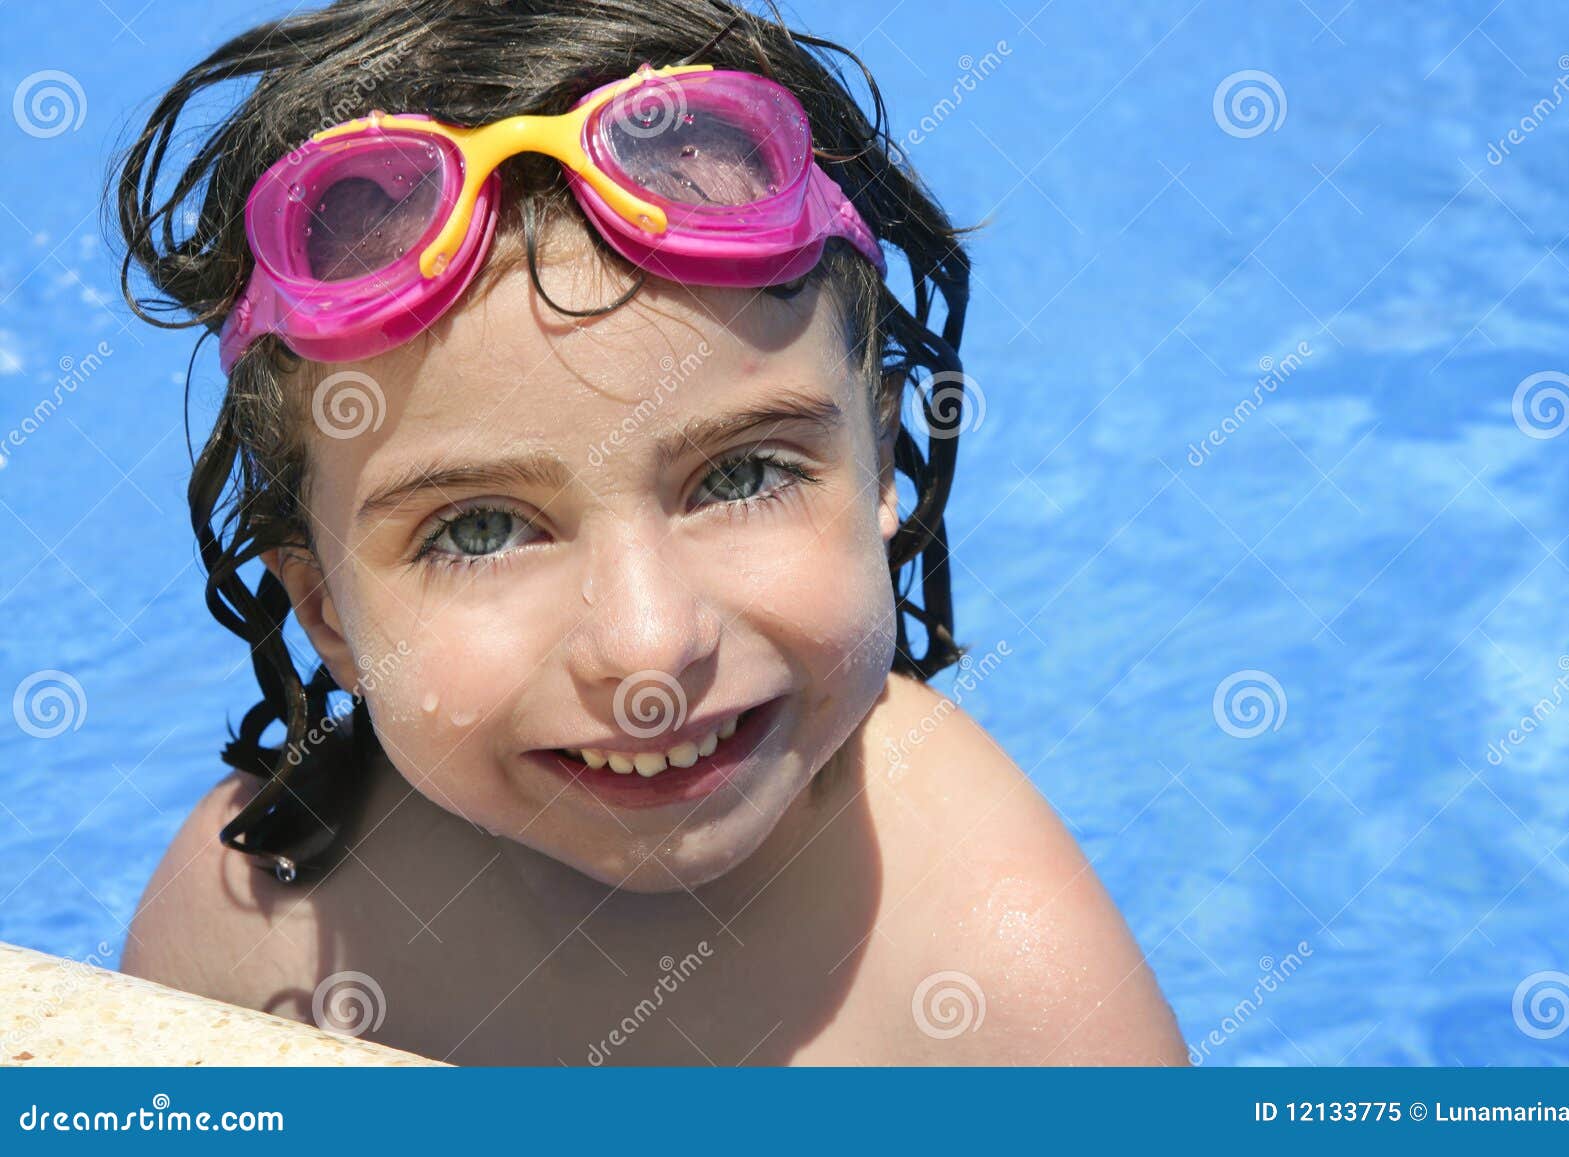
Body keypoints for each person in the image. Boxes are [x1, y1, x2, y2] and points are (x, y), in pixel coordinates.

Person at [110, 0, 1186, 1065]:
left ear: (878, 469)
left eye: (744, 473)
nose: (648, 647)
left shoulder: (999, 969)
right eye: (480, 529)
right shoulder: (252, 929)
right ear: (325, 609)